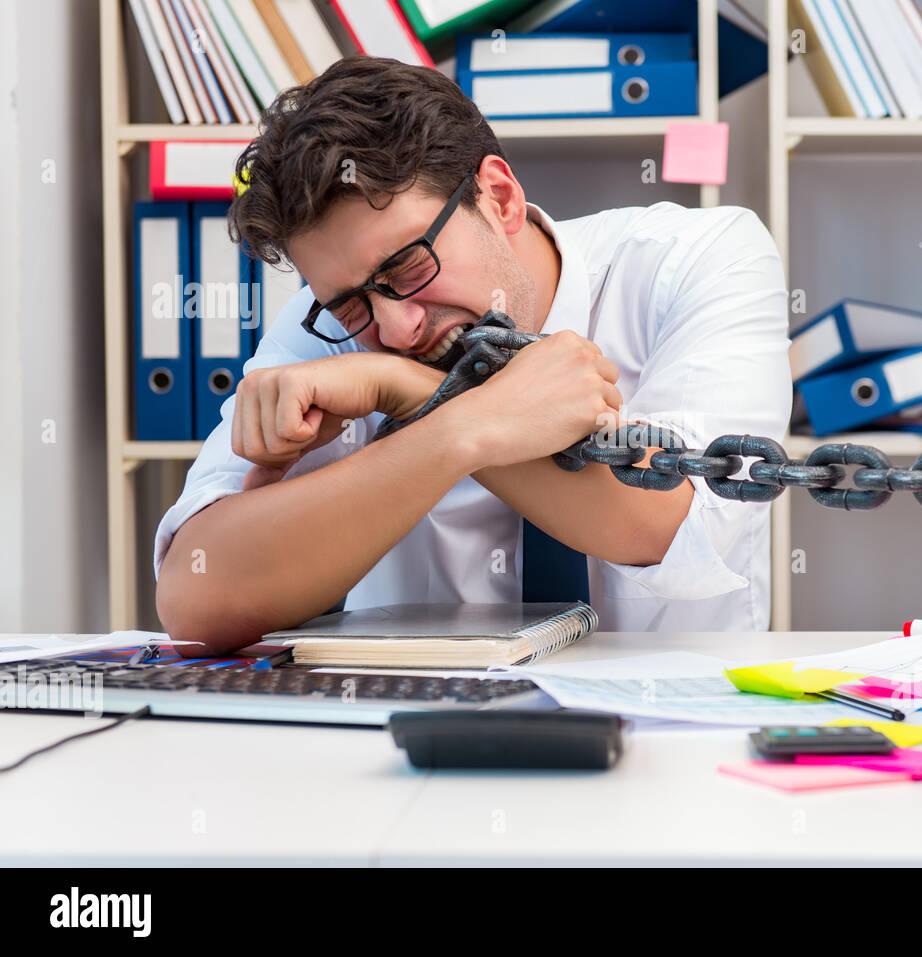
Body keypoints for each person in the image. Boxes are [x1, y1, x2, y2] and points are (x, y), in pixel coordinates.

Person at [154, 57, 791, 655]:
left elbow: (672, 527)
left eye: (407, 266)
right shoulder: (325, 328)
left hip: (675, 742)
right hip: (415, 741)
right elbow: (196, 599)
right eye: (352, 304)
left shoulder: (697, 258)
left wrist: (412, 396)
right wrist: (460, 427)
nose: (396, 329)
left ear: (500, 197)